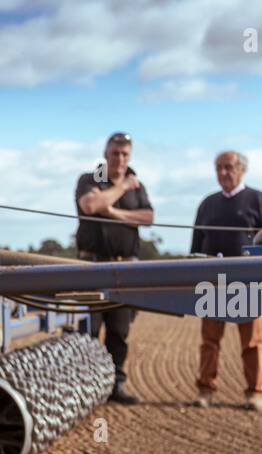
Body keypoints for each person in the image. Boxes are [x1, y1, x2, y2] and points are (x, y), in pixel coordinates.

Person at [190, 151, 262, 412]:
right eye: (219, 168)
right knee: (210, 341)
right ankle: (205, 390)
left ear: (241, 170)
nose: (223, 173)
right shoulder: (207, 204)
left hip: (249, 282)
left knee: (251, 342)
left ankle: (255, 393)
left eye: (228, 167)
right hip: (213, 282)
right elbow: (196, 246)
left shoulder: (258, 200)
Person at [75, 132, 154, 405]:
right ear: (105, 154)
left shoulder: (138, 185)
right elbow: (90, 204)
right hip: (90, 267)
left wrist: (112, 211)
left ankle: (114, 385)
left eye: (124, 155)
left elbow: (148, 217)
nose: (119, 159)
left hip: (124, 270)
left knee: (119, 331)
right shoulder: (90, 179)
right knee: (89, 329)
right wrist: (121, 189)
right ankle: (83, 387)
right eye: (114, 154)